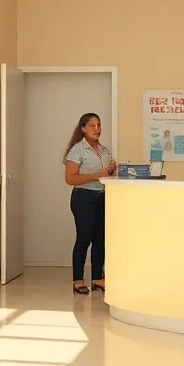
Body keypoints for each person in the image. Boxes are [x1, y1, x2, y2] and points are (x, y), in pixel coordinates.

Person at [63, 113, 116, 295]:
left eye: (99, 125)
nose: (97, 129)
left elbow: (106, 175)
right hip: (83, 198)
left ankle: (97, 279)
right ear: (83, 128)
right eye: (92, 125)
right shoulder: (77, 150)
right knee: (84, 238)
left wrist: (111, 170)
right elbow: (70, 179)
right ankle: (78, 280)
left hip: (101, 197)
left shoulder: (105, 150)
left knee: (100, 239)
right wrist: (95, 175)